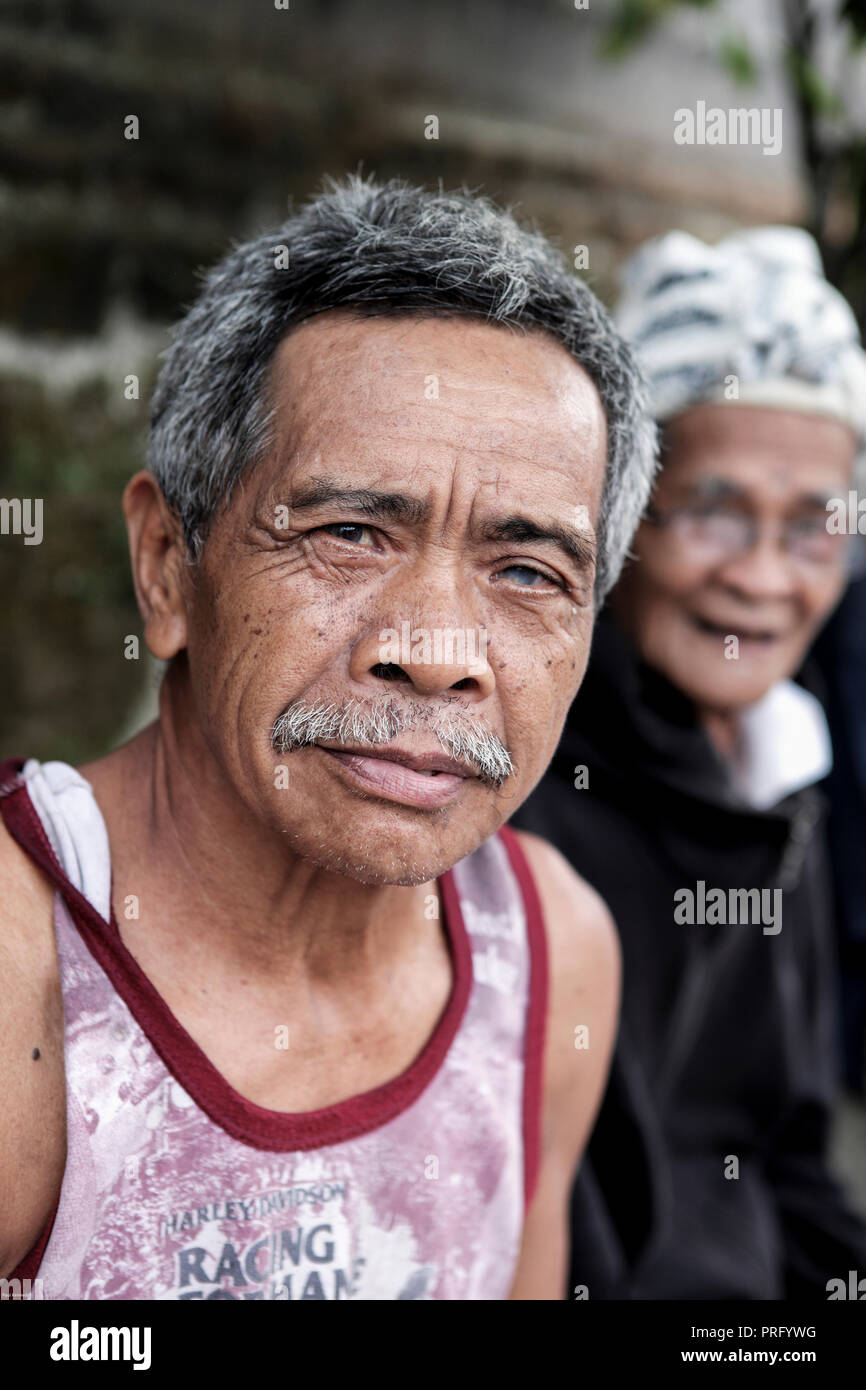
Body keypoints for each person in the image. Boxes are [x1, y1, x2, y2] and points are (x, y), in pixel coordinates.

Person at [0, 175, 658, 1301]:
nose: (439, 648)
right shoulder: (25, 966)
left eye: (527, 572)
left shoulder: (548, 946)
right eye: (349, 531)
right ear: (167, 565)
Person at [512, 225, 866, 1299]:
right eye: (712, 512)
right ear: (613, 514)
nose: (763, 577)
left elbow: (787, 1156)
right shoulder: (522, 799)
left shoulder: (780, 776)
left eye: (813, 529)